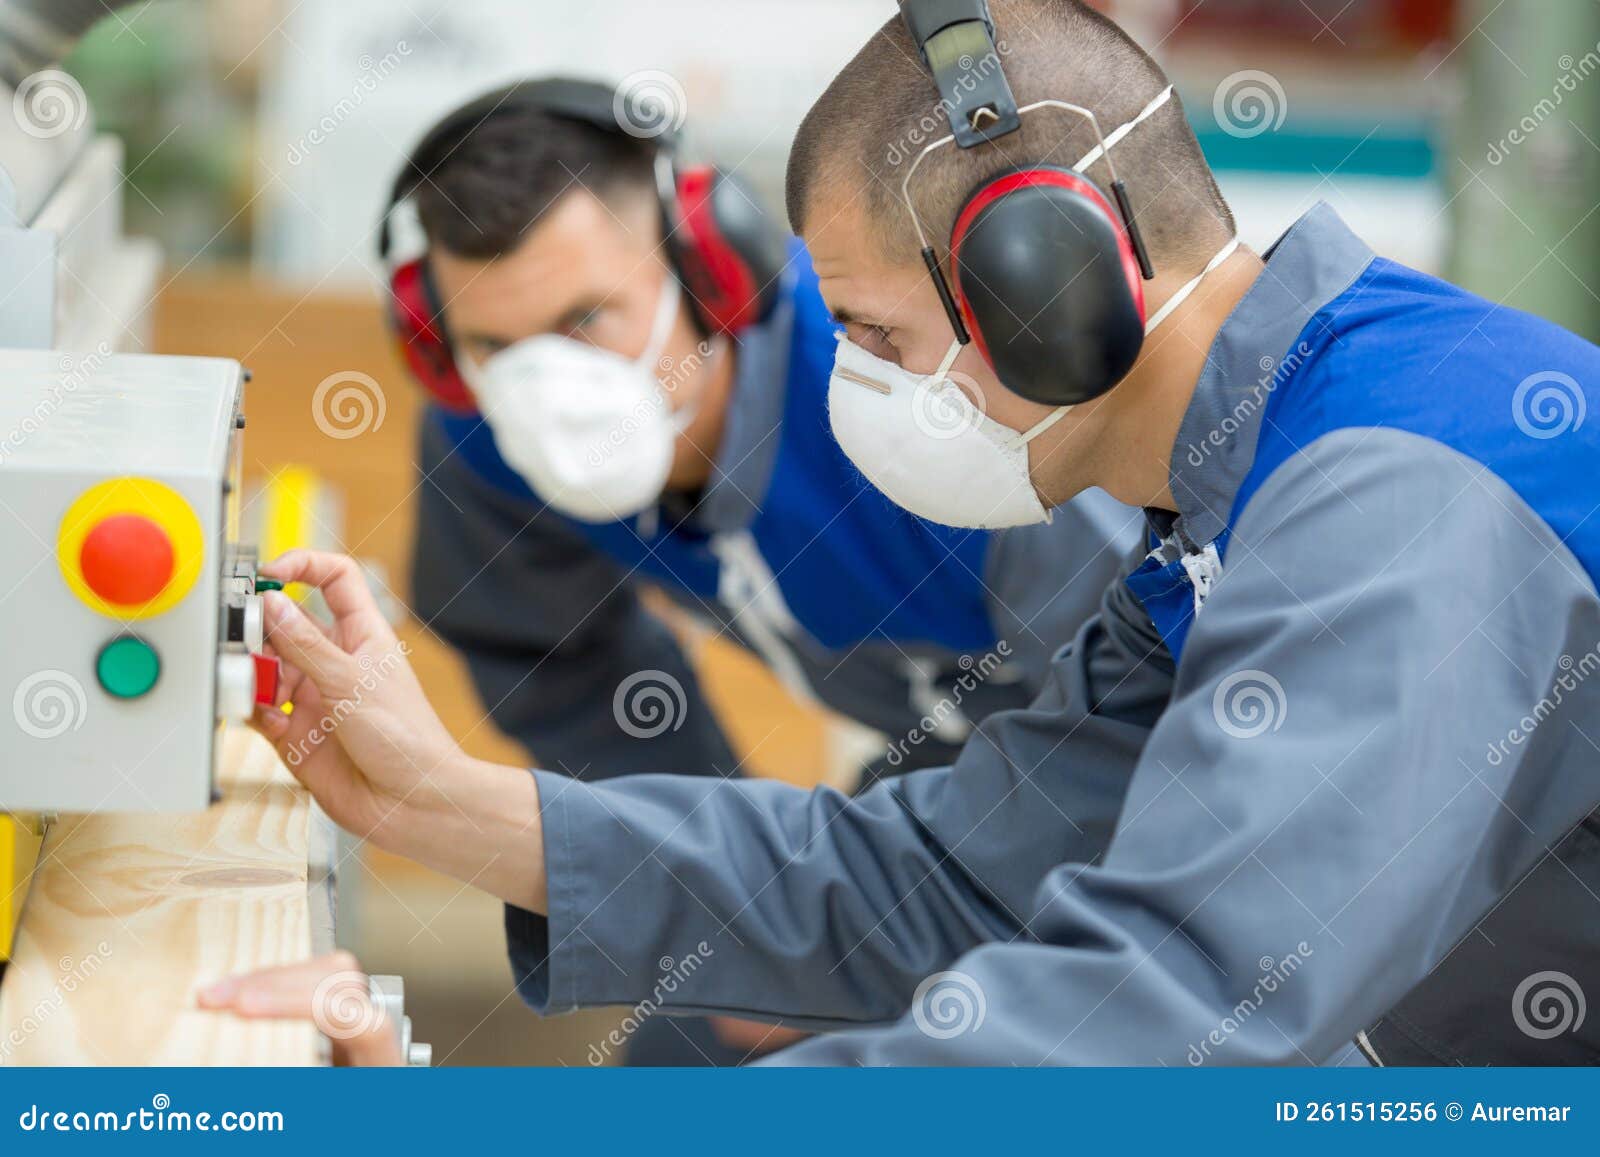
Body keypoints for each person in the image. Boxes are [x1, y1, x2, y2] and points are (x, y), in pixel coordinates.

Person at [211, 0, 1600, 1066]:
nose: (850, 381)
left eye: (874, 333)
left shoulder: (1396, 485)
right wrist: (437, 803)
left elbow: (1165, 1008)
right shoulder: (1208, 525)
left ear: (1049, 278)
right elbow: (944, 877)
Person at [374, 75, 1135, 1064]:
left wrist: (819, 927)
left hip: (1126, 792)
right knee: (688, 1055)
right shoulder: (489, 442)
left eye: (584, 320)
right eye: (490, 343)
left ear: (711, 269)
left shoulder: (929, 396)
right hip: (946, 766)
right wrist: (712, 910)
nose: (545, 388)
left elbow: (1143, 732)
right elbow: (560, 672)